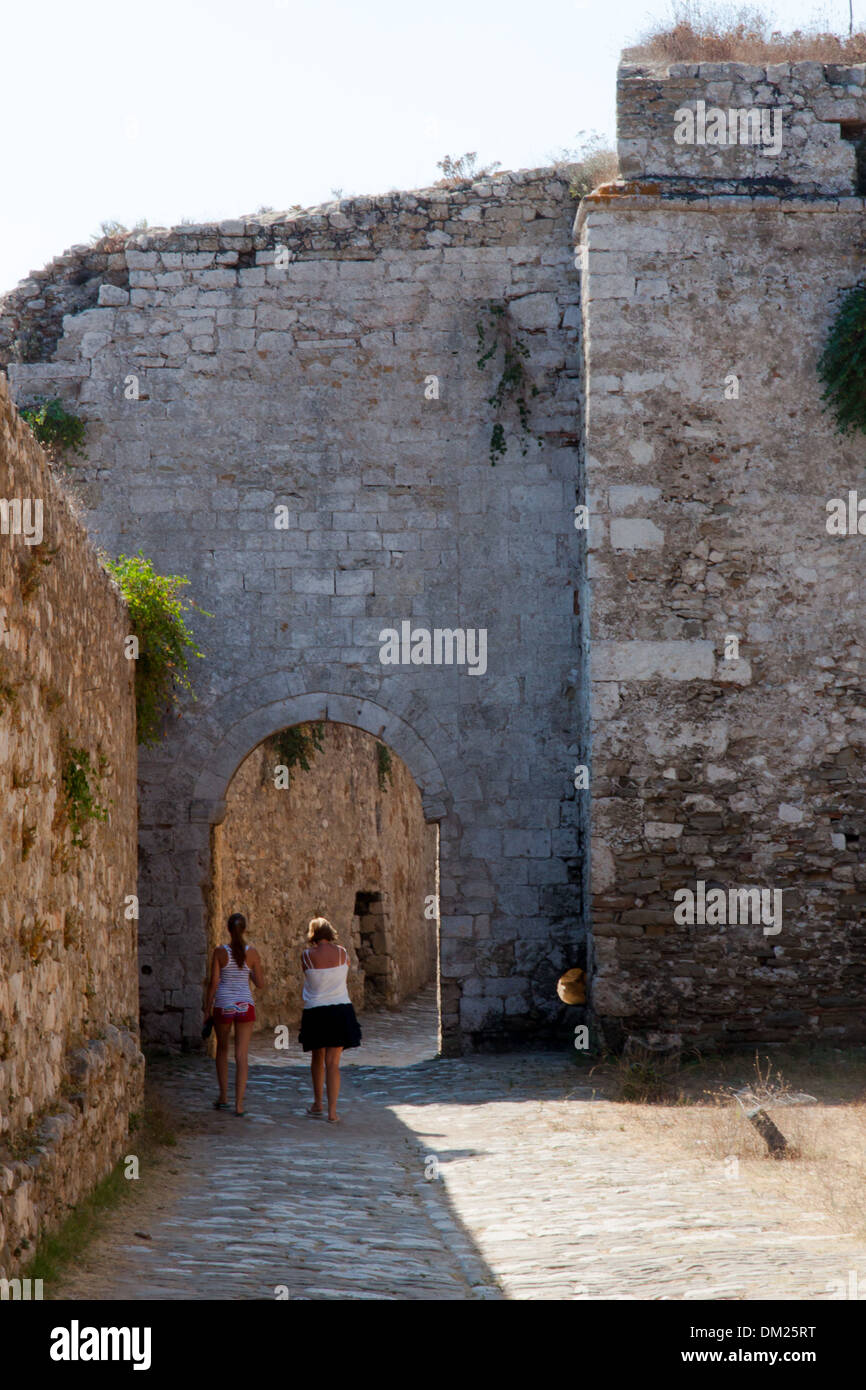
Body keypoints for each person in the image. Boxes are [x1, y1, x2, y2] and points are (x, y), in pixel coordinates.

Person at [299, 917, 361, 1123]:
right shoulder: (343, 953)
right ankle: (333, 1113)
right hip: (341, 1009)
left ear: (313, 934)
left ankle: (318, 1104)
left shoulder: (307, 956)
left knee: (317, 1058)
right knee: (333, 1064)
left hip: (316, 1011)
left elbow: (309, 975)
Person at [204, 912, 264, 1117]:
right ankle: (239, 1104)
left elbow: (213, 984)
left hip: (224, 1004)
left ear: (229, 930)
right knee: (241, 1055)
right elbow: (260, 983)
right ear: (245, 929)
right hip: (245, 1005)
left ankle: (223, 1096)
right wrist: (250, 971)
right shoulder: (253, 953)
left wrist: (206, 1009)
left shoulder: (220, 952)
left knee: (222, 1050)